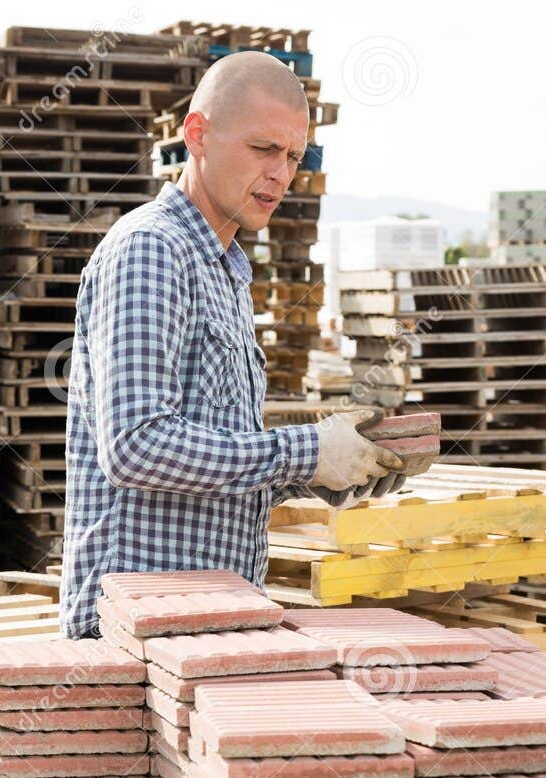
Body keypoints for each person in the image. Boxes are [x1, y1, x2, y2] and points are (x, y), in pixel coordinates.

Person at [59, 49, 402, 637]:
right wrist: (305, 451)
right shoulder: (152, 251)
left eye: (293, 156)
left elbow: (216, 457)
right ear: (198, 134)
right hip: (132, 636)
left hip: (205, 623)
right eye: (263, 149)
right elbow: (136, 445)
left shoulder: (226, 270)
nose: (280, 173)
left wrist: (330, 470)